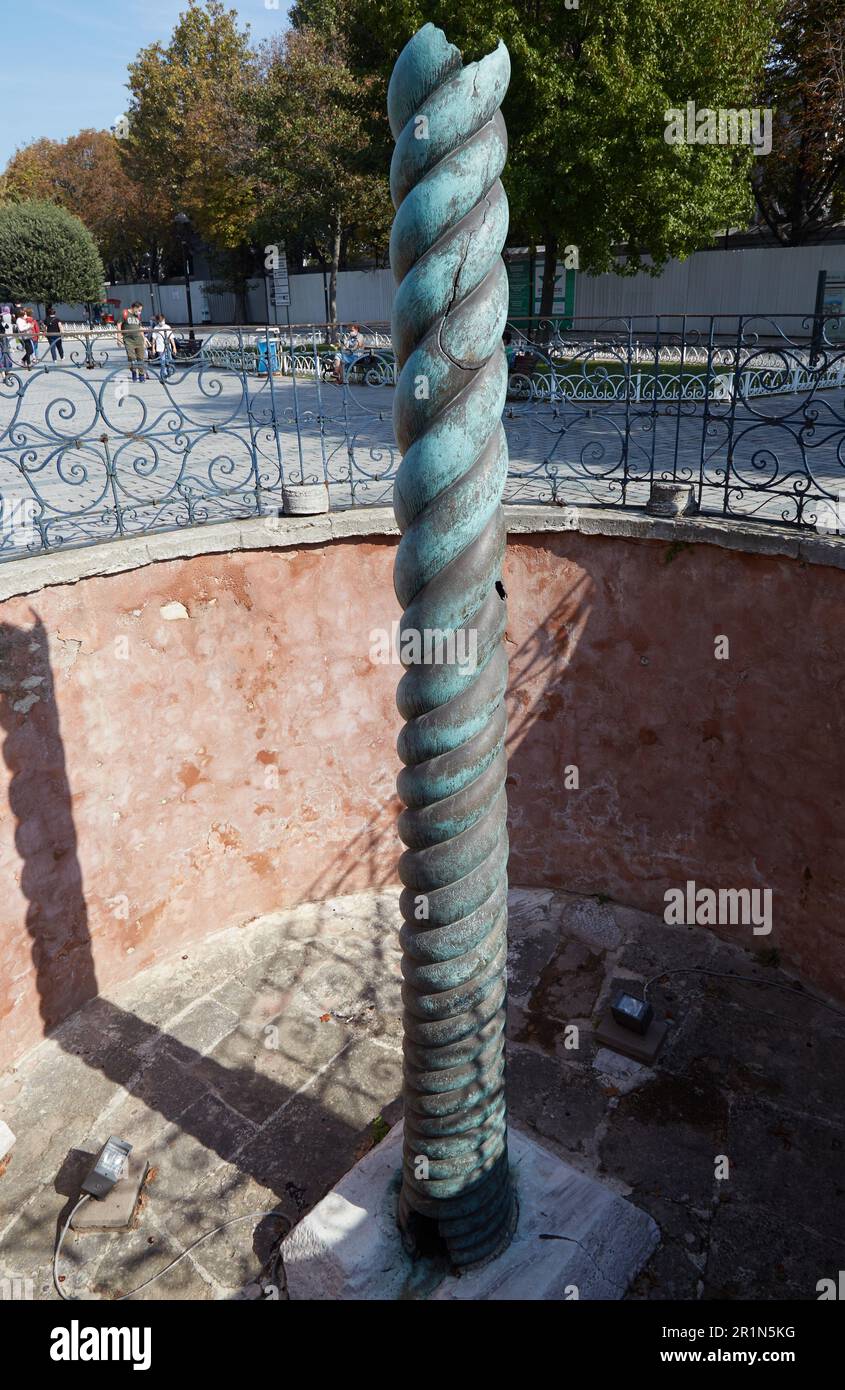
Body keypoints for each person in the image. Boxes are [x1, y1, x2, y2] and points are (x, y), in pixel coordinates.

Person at [119, 300, 148, 382]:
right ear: (134, 308)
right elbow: (119, 324)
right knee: (132, 358)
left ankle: (142, 375)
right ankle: (134, 372)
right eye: (139, 310)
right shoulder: (125, 313)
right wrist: (119, 337)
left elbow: (140, 328)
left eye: (140, 311)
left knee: (140, 358)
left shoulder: (137, 316)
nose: (140, 312)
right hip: (128, 340)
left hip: (139, 340)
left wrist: (144, 339)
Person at [150, 313, 177, 381]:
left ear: (164, 319)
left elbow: (171, 338)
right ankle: (163, 375)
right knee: (162, 362)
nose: (161, 322)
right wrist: (153, 348)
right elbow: (153, 339)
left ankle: (169, 372)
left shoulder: (167, 327)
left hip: (168, 348)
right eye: (159, 321)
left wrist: (174, 347)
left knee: (169, 362)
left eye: (161, 321)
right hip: (160, 348)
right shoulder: (156, 328)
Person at [0, 306, 13, 373]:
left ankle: (3, 366)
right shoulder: (3, 322)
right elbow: (7, 326)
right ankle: (7, 367)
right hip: (3, 338)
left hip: (3, 338)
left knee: (3, 352)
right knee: (5, 352)